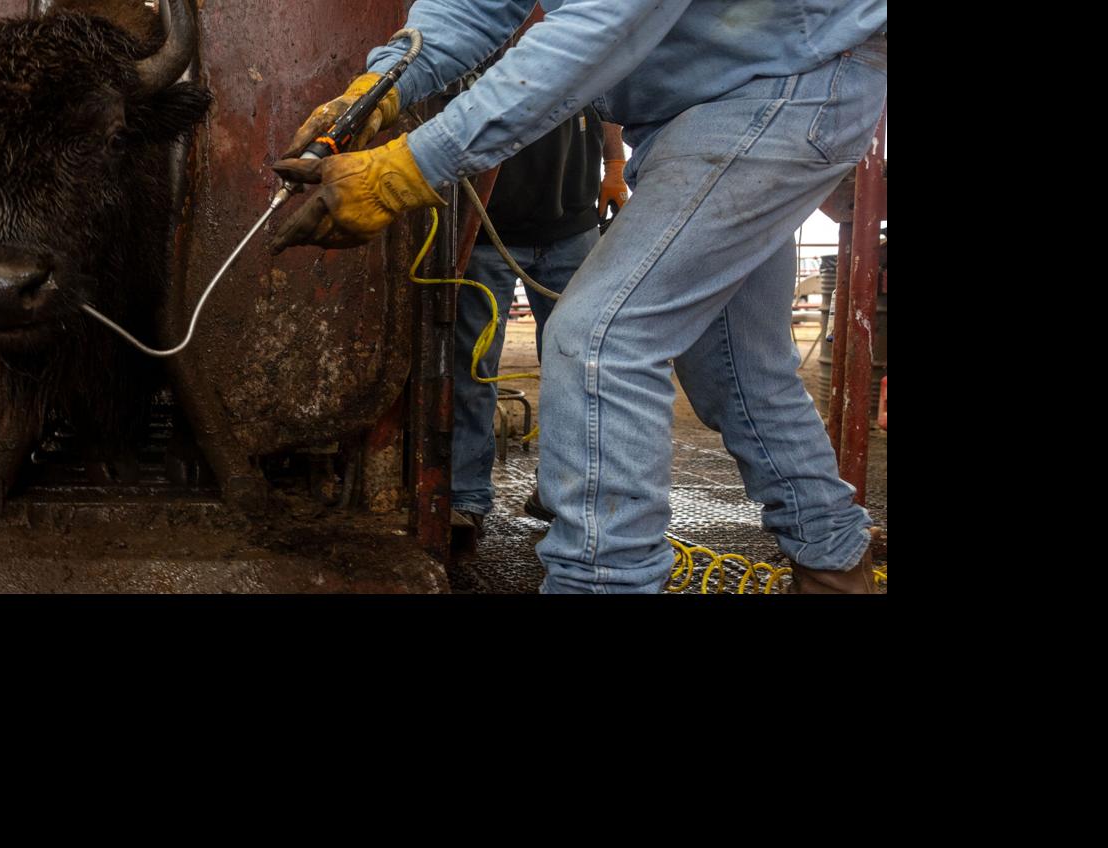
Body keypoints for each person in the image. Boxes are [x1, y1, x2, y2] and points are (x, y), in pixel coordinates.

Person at [270, 1, 886, 593]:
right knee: (736, 365)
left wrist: (411, 166)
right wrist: (382, 84)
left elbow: (606, 26)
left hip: (789, 79)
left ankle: (602, 582)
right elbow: (472, 6)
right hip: (712, 102)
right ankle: (834, 565)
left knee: (601, 341)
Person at [446, 108, 627, 534]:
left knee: (580, 370)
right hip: (490, 228)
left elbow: (609, 103)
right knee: (473, 368)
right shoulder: (489, 47)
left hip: (573, 227)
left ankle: (561, 495)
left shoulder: (585, 41)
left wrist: (615, 166)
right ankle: (465, 497)